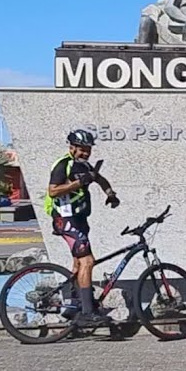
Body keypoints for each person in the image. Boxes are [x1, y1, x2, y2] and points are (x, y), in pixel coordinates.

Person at [45, 129, 120, 326]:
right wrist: (79, 182)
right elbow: (53, 191)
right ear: (71, 147)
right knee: (88, 261)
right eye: (81, 149)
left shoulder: (84, 165)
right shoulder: (63, 165)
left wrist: (110, 193)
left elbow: (98, 178)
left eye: (88, 149)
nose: (85, 153)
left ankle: (74, 305)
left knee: (79, 264)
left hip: (79, 219)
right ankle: (87, 313)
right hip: (65, 219)